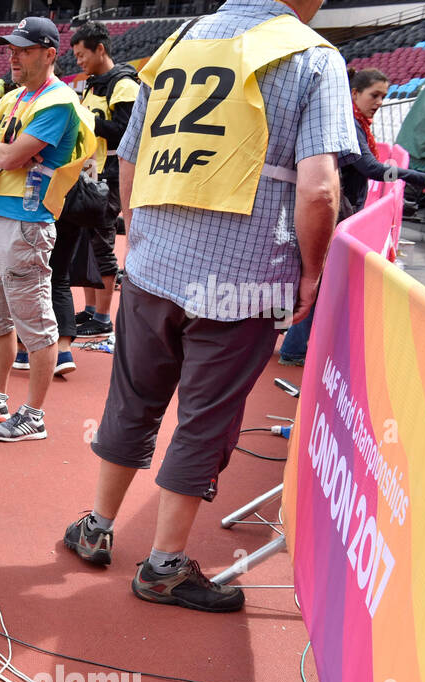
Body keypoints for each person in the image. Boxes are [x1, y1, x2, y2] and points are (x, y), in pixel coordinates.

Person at [62, 0, 356, 613]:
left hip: (152, 268)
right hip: (243, 277)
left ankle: (95, 525)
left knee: (134, 399)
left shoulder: (179, 40)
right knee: (205, 417)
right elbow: (320, 187)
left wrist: (141, 235)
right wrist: (311, 271)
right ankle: (165, 565)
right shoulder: (312, 55)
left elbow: (130, 158)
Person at [0, 18, 94, 442]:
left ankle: (33, 414)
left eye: (24, 49)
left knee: (33, 320)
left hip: (27, 221)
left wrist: (0, 153)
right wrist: (2, 154)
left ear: (50, 54)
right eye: (10, 48)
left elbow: (9, 156)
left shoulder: (57, 102)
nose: (12, 55)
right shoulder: (12, 99)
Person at [278, 67, 425, 365]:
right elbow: (373, 169)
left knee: (322, 282)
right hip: (334, 214)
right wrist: (422, 178)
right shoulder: (350, 125)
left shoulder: (356, 123)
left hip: (341, 212)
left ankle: (295, 344)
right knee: (320, 282)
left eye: (384, 96)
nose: (380, 102)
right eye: (375, 95)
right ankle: (294, 348)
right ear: (355, 93)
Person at [69, 21, 139, 340]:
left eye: (83, 55)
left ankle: (103, 316)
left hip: (110, 176)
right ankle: (89, 309)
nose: (79, 61)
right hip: (88, 174)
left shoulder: (123, 85)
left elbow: (126, 134)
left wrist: (88, 119)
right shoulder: (95, 84)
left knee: (101, 243)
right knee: (85, 243)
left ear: (100, 49)